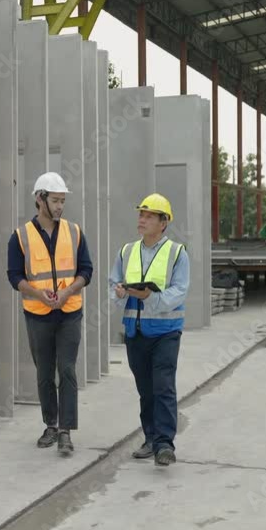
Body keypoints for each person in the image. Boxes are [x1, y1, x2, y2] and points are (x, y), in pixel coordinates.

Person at [7, 171, 92, 455]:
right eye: (55, 200)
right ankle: (51, 425)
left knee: (66, 369)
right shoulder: (20, 237)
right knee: (44, 372)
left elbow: (86, 271)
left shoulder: (74, 231)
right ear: (39, 199)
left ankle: (66, 431)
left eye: (62, 201)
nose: (59, 206)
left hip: (69, 311)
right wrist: (37, 294)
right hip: (37, 314)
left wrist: (68, 292)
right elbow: (14, 276)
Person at [109, 193, 189, 466]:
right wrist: (119, 291)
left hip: (166, 332)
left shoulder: (177, 253)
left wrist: (150, 298)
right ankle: (150, 438)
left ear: (163, 222)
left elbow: (179, 291)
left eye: (149, 215)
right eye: (140, 214)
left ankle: (165, 444)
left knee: (163, 386)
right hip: (135, 331)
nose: (141, 219)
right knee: (146, 390)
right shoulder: (127, 251)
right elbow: (113, 285)